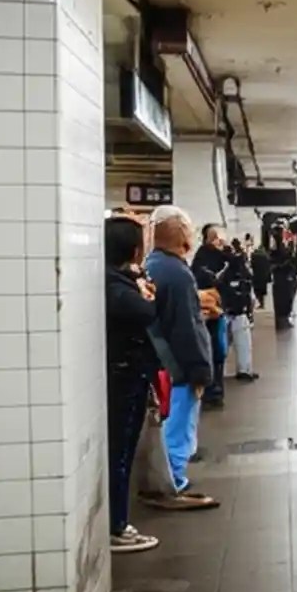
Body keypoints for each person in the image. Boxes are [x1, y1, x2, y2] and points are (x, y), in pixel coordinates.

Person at [143, 205, 220, 510]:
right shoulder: (178, 274)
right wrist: (200, 370)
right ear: (184, 238)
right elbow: (187, 328)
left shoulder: (154, 265)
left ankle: (167, 480)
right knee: (179, 428)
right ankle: (173, 484)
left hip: (162, 366)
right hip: (178, 369)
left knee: (169, 426)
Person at [104, 216, 161, 552]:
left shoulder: (115, 279)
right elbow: (146, 314)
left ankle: (118, 522)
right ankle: (116, 526)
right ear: (134, 249)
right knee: (120, 451)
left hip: (125, 373)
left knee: (122, 451)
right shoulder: (117, 286)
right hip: (125, 376)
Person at [191, 224, 231, 408]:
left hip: (217, 311)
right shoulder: (206, 258)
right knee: (214, 351)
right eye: (217, 237)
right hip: (210, 313)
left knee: (218, 352)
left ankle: (215, 390)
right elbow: (208, 280)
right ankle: (212, 391)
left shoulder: (213, 256)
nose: (220, 241)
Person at [225, 238, 259, 381]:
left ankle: (219, 373)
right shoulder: (243, 272)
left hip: (225, 312)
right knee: (243, 343)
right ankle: (244, 370)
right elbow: (249, 294)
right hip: (239, 312)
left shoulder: (223, 272)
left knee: (223, 345)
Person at [271, 230, 297, 329]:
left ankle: (283, 318)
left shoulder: (276, 250)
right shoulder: (281, 251)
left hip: (282, 280)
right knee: (285, 299)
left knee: (284, 299)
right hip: (283, 280)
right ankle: (283, 319)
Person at [250, 242, 272, 310]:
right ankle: (262, 303)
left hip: (256, 276)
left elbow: (252, 266)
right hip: (263, 276)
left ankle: (261, 303)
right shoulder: (266, 257)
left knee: (257, 291)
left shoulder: (254, 256)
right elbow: (269, 267)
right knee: (262, 291)